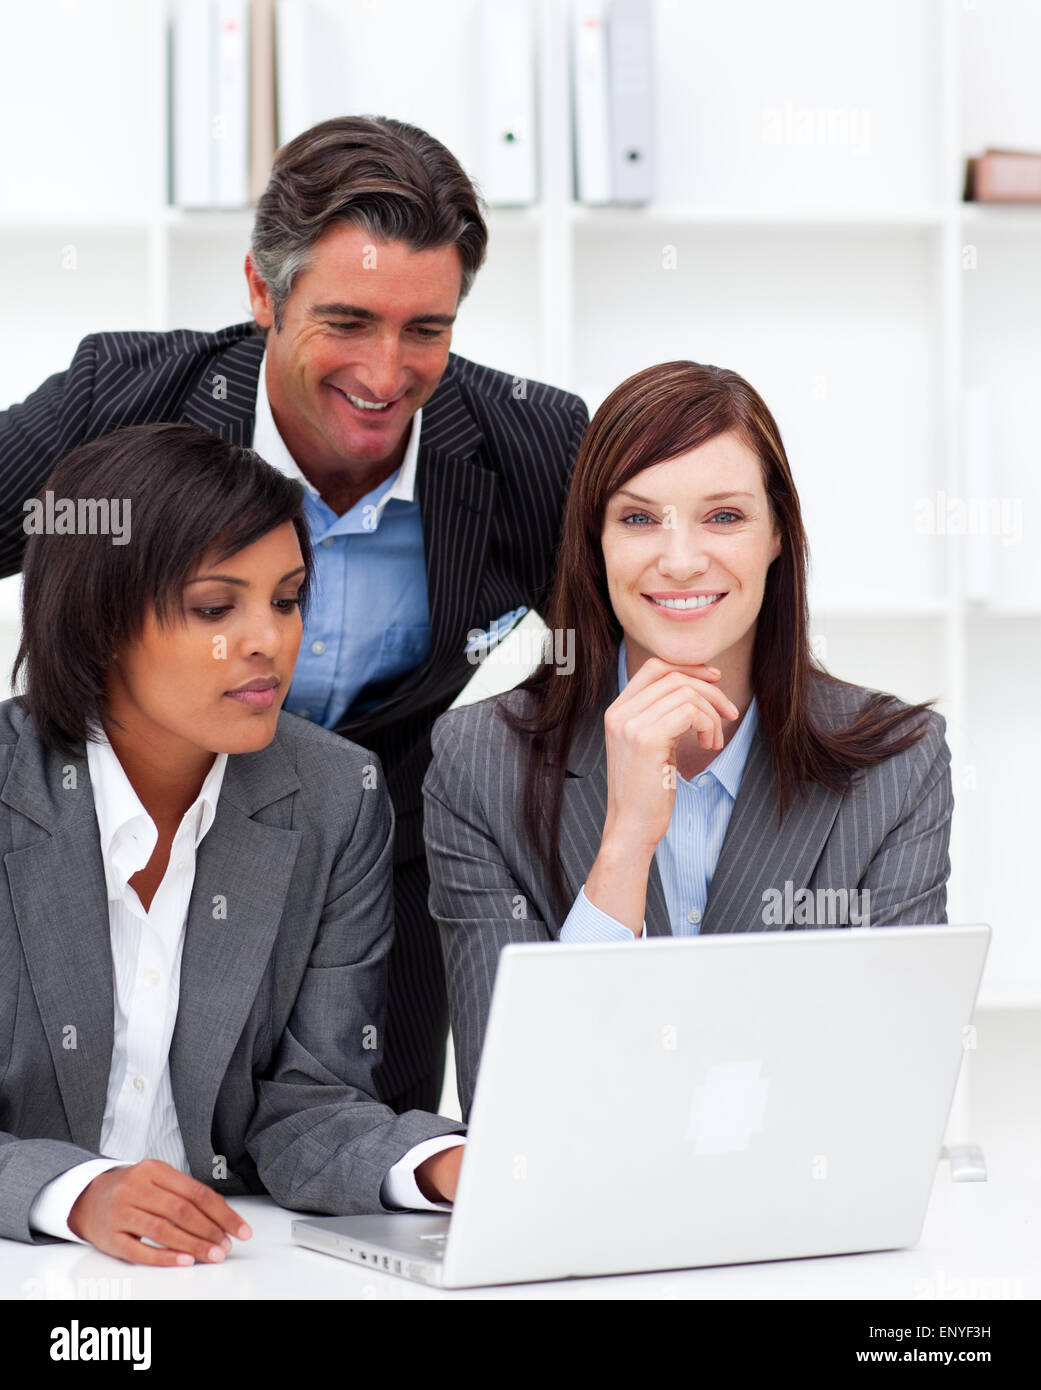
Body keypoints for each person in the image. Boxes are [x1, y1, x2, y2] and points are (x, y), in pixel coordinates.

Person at [0, 115, 588, 1115]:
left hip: (373, 887)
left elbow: (636, 651)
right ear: (263, 292)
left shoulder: (528, 444)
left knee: (360, 1179)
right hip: (127, 865)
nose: (386, 372)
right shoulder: (130, 397)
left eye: (427, 329)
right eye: (348, 321)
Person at [422, 361, 954, 1121]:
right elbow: (512, 1110)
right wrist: (625, 843)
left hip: (803, 1227)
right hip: (586, 1229)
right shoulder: (478, 761)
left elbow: (892, 1092)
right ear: (594, 542)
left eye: (723, 516)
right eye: (638, 519)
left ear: (777, 536)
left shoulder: (898, 762)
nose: (678, 560)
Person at [0, 422, 465, 1261]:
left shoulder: (336, 797)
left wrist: (442, 1167)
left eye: (286, 599)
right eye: (216, 607)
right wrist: (76, 1192)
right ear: (98, 621)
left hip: (238, 1268)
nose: (270, 640)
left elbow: (312, 1105)